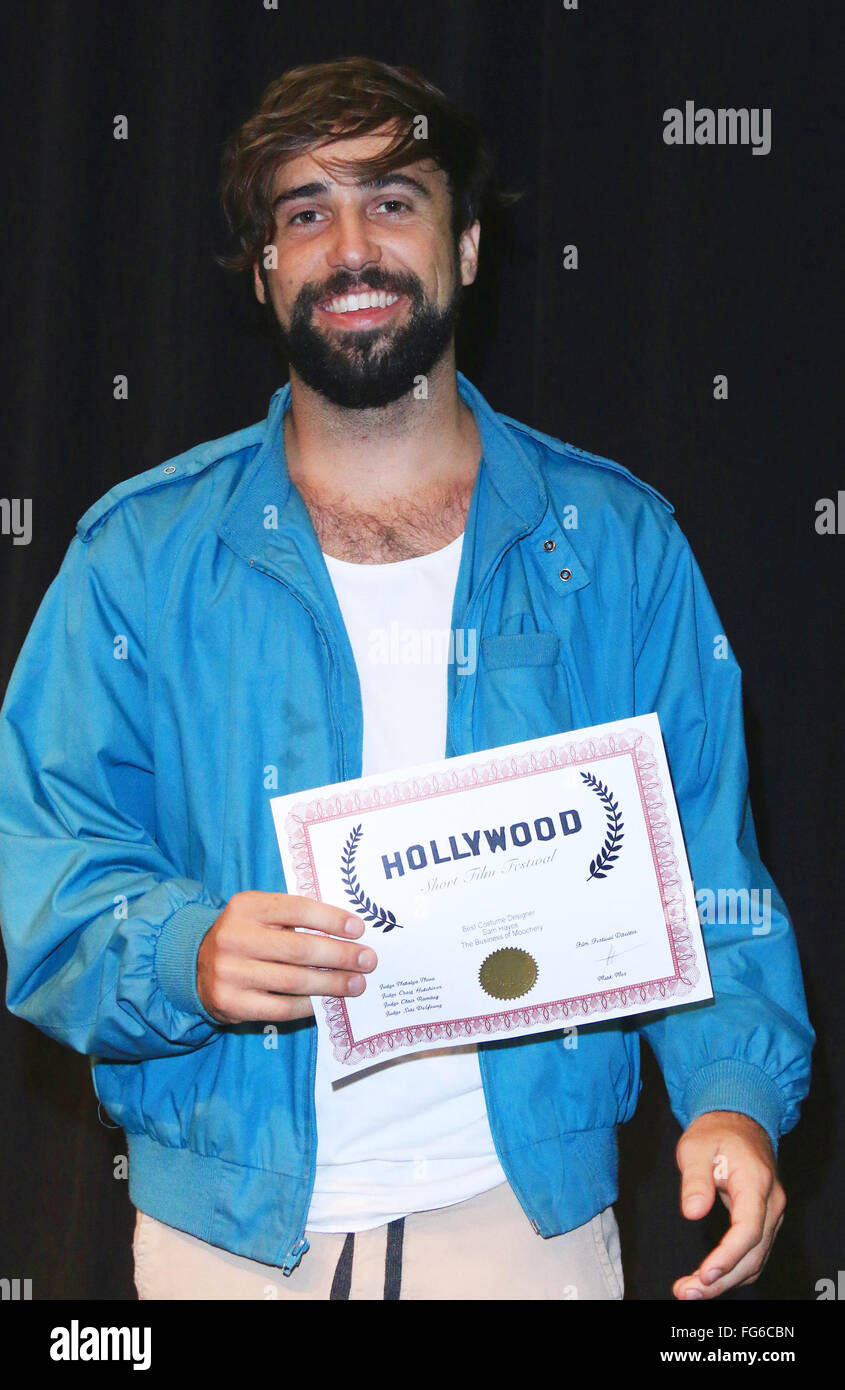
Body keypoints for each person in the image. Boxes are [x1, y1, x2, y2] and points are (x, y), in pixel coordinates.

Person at [0, 56, 814, 1302]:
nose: (349, 246)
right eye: (304, 212)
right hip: (224, 1235)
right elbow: (41, 859)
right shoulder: (139, 557)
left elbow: (707, 870)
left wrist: (733, 1098)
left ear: (467, 245)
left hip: (522, 1223)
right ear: (266, 267)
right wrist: (181, 952)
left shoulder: (614, 545)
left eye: (392, 200)